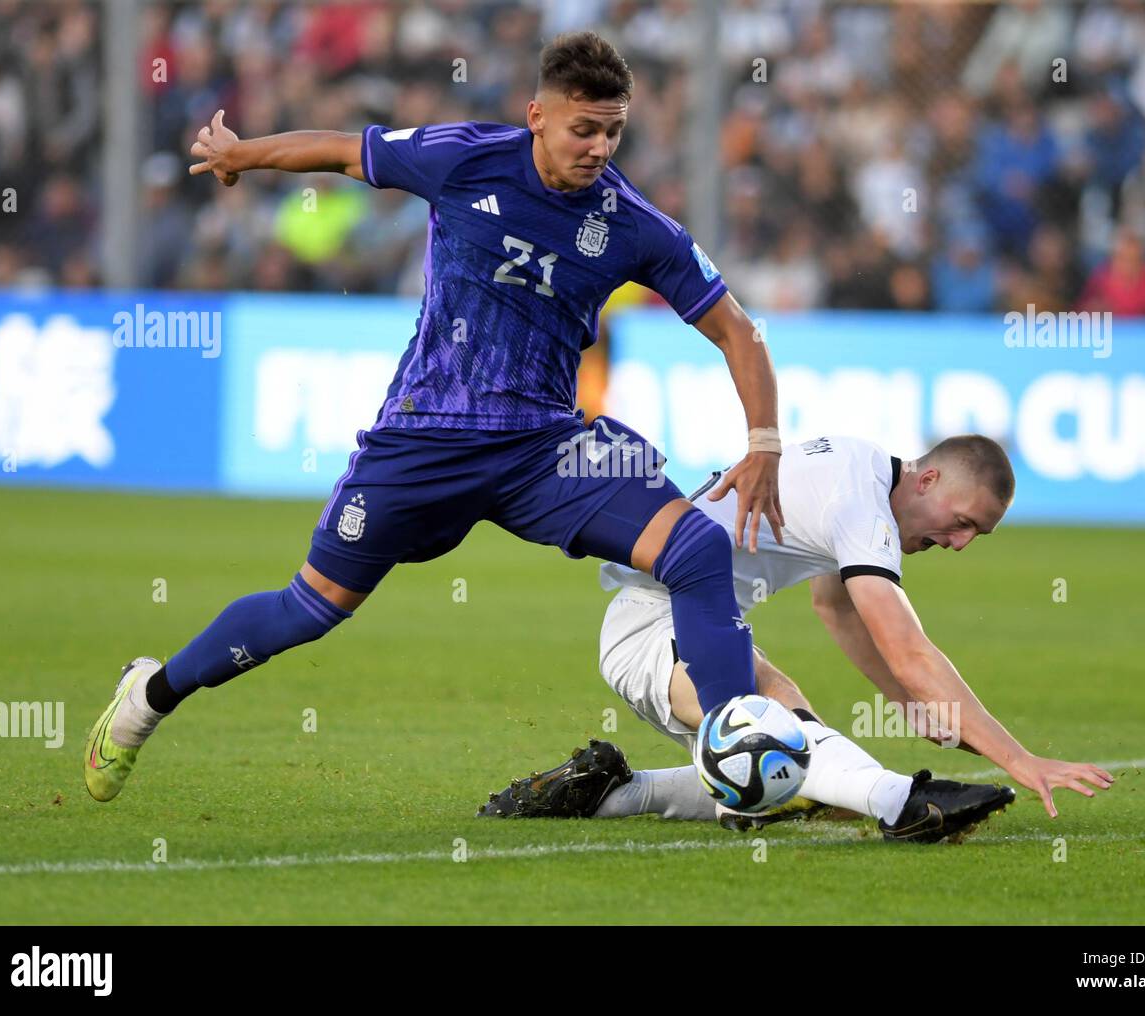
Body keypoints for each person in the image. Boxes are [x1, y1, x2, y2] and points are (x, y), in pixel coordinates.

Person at [84, 32, 785, 803]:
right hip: (425, 437)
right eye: (583, 129)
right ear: (537, 117)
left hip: (543, 447)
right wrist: (242, 154)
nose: (599, 147)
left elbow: (737, 332)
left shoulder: (634, 224)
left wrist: (763, 442)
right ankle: (149, 698)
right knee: (309, 610)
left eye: (613, 131)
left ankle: (730, 762)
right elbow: (345, 152)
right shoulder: (465, 157)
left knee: (695, 550)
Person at [480, 435, 1114, 843]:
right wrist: (1018, 759)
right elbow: (910, 649)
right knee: (781, 739)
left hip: (685, 620)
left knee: (790, 760)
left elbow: (833, 606)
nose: (959, 543)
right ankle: (906, 805)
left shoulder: (860, 474)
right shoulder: (862, 505)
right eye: (962, 522)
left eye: (978, 535)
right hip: (651, 624)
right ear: (927, 481)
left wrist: (907, 701)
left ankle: (612, 792)